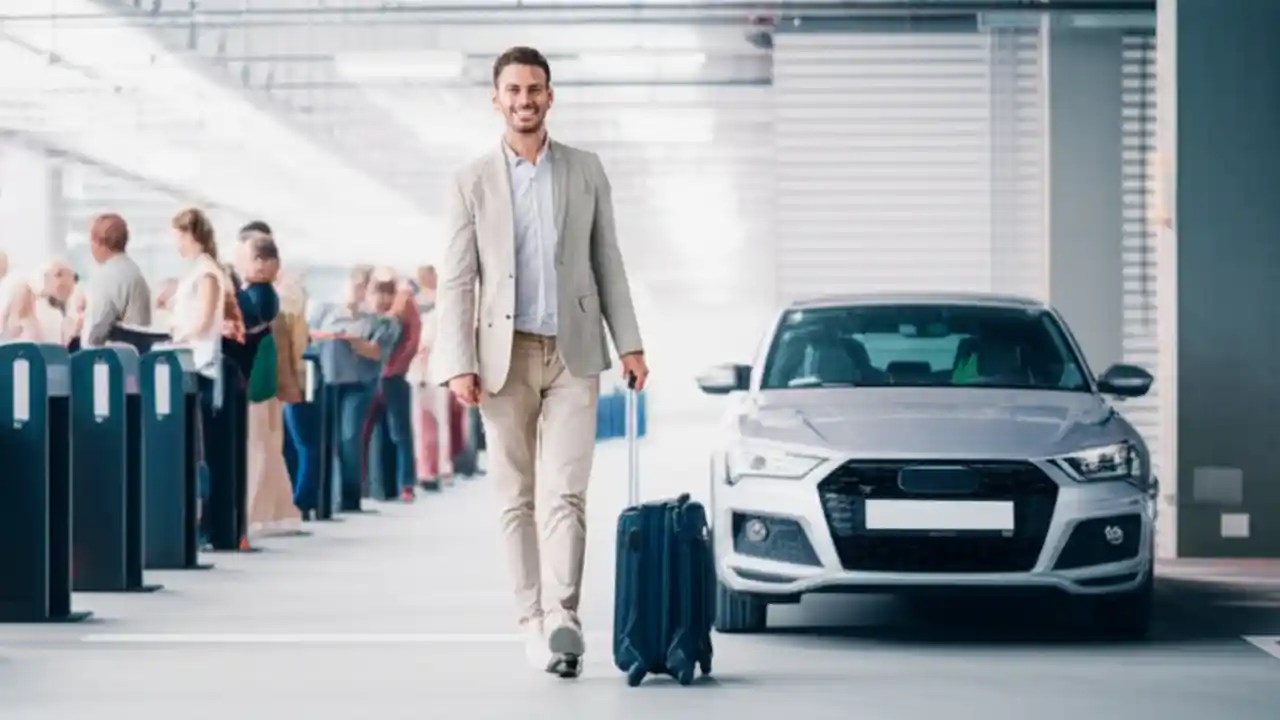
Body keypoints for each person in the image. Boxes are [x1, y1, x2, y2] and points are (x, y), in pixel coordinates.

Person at [431, 46, 649, 678]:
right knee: (515, 496)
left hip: (574, 353)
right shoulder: (470, 181)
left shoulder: (584, 170)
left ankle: (564, 619)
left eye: (535, 89)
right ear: (496, 99)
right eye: (513, 91)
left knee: (567, 491)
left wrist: (629, 342)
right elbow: (457, 279)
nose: (524, 100)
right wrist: (457, 361)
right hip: (502, 358)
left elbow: (608, 259)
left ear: (551, 96)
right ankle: (530, 619)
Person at [168, 207, 229, 548]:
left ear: (188, 233)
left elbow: (205, 320)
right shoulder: (199, 270)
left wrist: (178, 337)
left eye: (176, 236)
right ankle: (198, 523)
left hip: (200, 366)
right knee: (194, 450)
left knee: (199, 452)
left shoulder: (206, 272)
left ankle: (204, 525)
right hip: (192, 363)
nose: (174, 243)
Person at [80, 213, 152, 347]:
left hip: (112, 359)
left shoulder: (104, 277)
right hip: (138, 355)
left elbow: (96, 328)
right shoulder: (134, 272)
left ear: (97, 242)